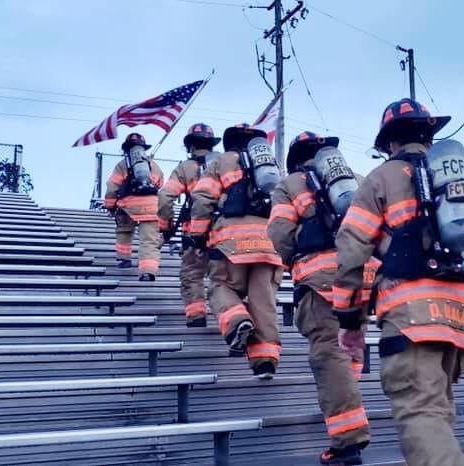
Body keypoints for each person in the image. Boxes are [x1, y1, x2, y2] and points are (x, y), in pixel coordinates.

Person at [332, 99, 464, 466]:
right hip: (461, 316)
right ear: (429, 139)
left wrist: (350, 321)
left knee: (421, 414)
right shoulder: (458, 187)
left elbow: (351, 250)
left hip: (410, 314)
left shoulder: (380, 179)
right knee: (439, 412)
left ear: (389, 144)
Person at [268, 131, 375, 465]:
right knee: (352, 341)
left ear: (296, 158)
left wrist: (291, 263)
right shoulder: (356, 179)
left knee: (329, 355)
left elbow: (279, 234)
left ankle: (347, 443)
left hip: (323, 279)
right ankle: (347, 401)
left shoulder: (290, 184)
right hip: (366, 275)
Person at [188, 123, 283, 380]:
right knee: (264, 303)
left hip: (231, 241)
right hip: (269, 244)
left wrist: (197, 235)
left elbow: (203, 198)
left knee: (220, 286)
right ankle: (265, 362)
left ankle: (237, 321)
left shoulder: (221, 162)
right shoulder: (272, 167)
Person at [158, 123, 220, 327]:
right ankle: (231, 321)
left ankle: (197, 317)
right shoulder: (225, 164)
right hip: (225, 233)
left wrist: (166, 227)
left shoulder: (185, 168)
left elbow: (166, 197)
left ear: (190, 146)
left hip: (194, 233)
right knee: (226, 280)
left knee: (192, 275)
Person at [104, 133, 165, 281]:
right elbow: (160, 183)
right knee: (149, 240)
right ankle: (148, 271)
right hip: (151, 207)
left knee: (124, 231)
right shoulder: (152, 164)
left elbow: (112, 187)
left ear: (126, 149)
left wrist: (110, 206)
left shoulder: (122, 165)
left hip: (127, 206)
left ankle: (124, 259)